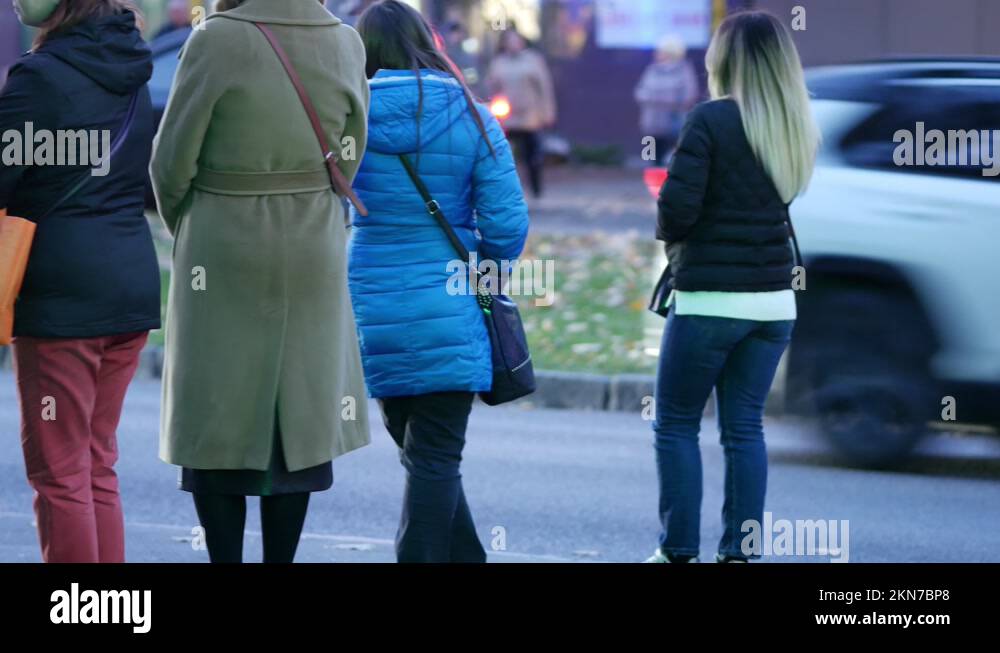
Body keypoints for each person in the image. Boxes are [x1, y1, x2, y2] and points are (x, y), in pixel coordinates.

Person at [150, 0, 371, 564]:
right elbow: (350, 151)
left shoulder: (215, 39)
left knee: (216, 409)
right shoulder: (344, 40)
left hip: (223, 241)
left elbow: (170, 161)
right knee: (298, 415)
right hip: (313, 241)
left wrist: (193, 226)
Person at [350, 0, 529, 563]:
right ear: (425, 40)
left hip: (373, 298)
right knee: (434, 457)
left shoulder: (346, 117)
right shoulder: (472, 114)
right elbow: (507, 224)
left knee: (423, 454)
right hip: (451, 296)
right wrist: (486, 263)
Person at [647, 11, 820, 563]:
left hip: (711, 302)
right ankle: (739, 554)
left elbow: (675, 213)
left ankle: (677, 553)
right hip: (773, 304)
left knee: (675, 423)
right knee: (744, 430)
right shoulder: (796, 124)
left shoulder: (710, 120)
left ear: (725, 60)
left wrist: (671, 222)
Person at [0, 0, 160, 562]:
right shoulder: (135, 70)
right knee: (95, 464)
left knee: (60, 472)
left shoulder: (38, 77)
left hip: (62, 297)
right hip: (131, 285)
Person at [486, 28, 556, 198]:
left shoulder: (533, 60)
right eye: (509, 41)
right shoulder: (498, 62)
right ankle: (509, 190)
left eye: (516, 40)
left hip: (530, 116)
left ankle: (536, 190)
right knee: (504, 155)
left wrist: (547, 112)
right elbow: (490, 87)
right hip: (506, 117)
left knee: (533, 156)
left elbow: (544, 87)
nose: (513, 44)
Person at [634, 35, 699, 166]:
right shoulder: (652, 70)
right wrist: (658, 99)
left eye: (660, 51)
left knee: (671, 161)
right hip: (651, 124)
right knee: (649, 158)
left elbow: (689, 95)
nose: (657, 54)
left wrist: (660, 99)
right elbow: (640, 92)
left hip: (673, 124)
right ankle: (649, 179)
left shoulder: (684, 70)